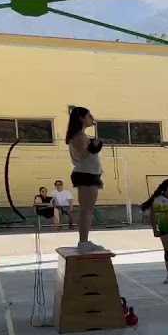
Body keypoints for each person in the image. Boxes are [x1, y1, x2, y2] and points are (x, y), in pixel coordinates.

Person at [65, 107, 105, 251]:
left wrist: (98, 176)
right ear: (82, 118)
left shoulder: (81, 135)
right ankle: (83, 242)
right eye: (89, 116)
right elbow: (83, 156)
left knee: (87, 209)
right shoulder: (80, 136)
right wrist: (94, 147)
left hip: (89, 174)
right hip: (85, 174)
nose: (92, 118)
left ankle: (84, 241)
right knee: (86, 210)